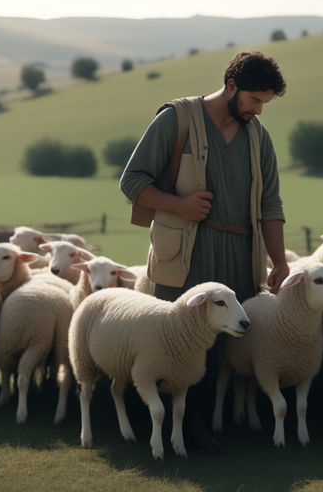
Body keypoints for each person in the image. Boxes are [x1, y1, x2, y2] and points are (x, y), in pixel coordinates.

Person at [119, 50, 289, 449]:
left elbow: (271, 204)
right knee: (175, 343)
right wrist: (178, 204)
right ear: (231, 86)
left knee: (226, 346)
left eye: (265, 102)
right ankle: (173, 426)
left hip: (238, 252)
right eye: (254, 100)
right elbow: (131, 181)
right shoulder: (176, 120)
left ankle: (210, 423)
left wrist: (279, 261)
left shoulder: (257, 136)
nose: (259, 110)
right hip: (184, 252)